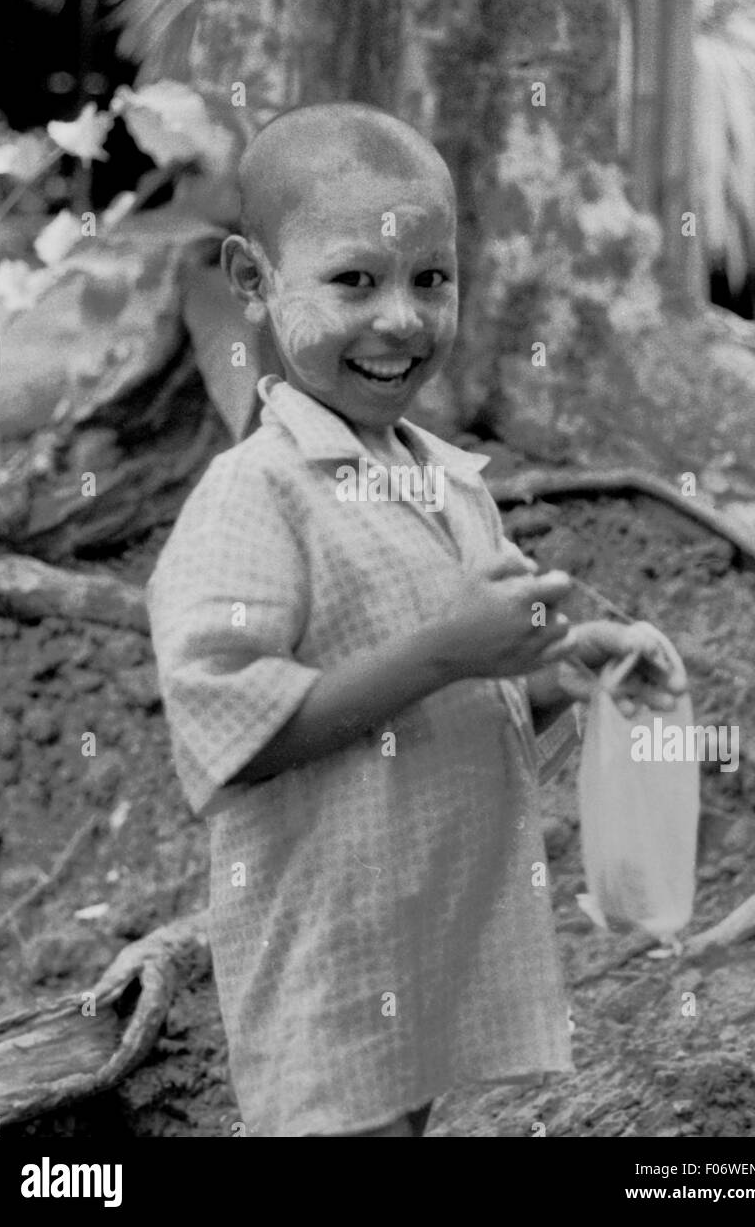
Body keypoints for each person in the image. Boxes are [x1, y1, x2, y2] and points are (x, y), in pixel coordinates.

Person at [146, 103, 686, 1138]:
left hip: (430, 930)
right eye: (354, 279)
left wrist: (558, 676)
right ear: (252, 280)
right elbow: (233, 732)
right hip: (330, 952)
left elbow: (460, 696)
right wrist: (448, 648)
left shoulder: (447, 486)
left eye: (429, 279)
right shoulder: (256, 494)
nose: (400, 317)